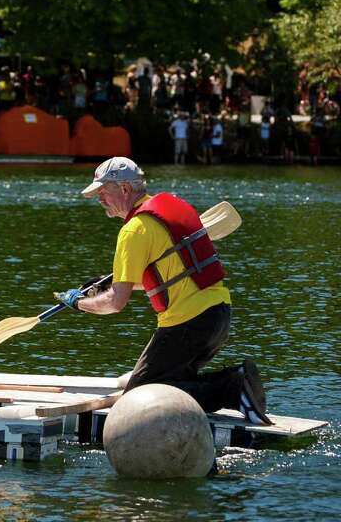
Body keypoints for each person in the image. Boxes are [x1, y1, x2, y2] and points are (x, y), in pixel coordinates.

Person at [59, 157, 270, 424]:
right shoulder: (172, 206)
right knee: (170, 382)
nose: (99, 199)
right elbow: (163, 276)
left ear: (124, 189)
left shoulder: (134, 230)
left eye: (103, 191)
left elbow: (115, 303)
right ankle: (230, 384)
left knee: (140, 396)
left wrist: (79, 303)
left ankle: (232, 386)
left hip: (187, 324)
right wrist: (107, 285)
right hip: (218, 316)